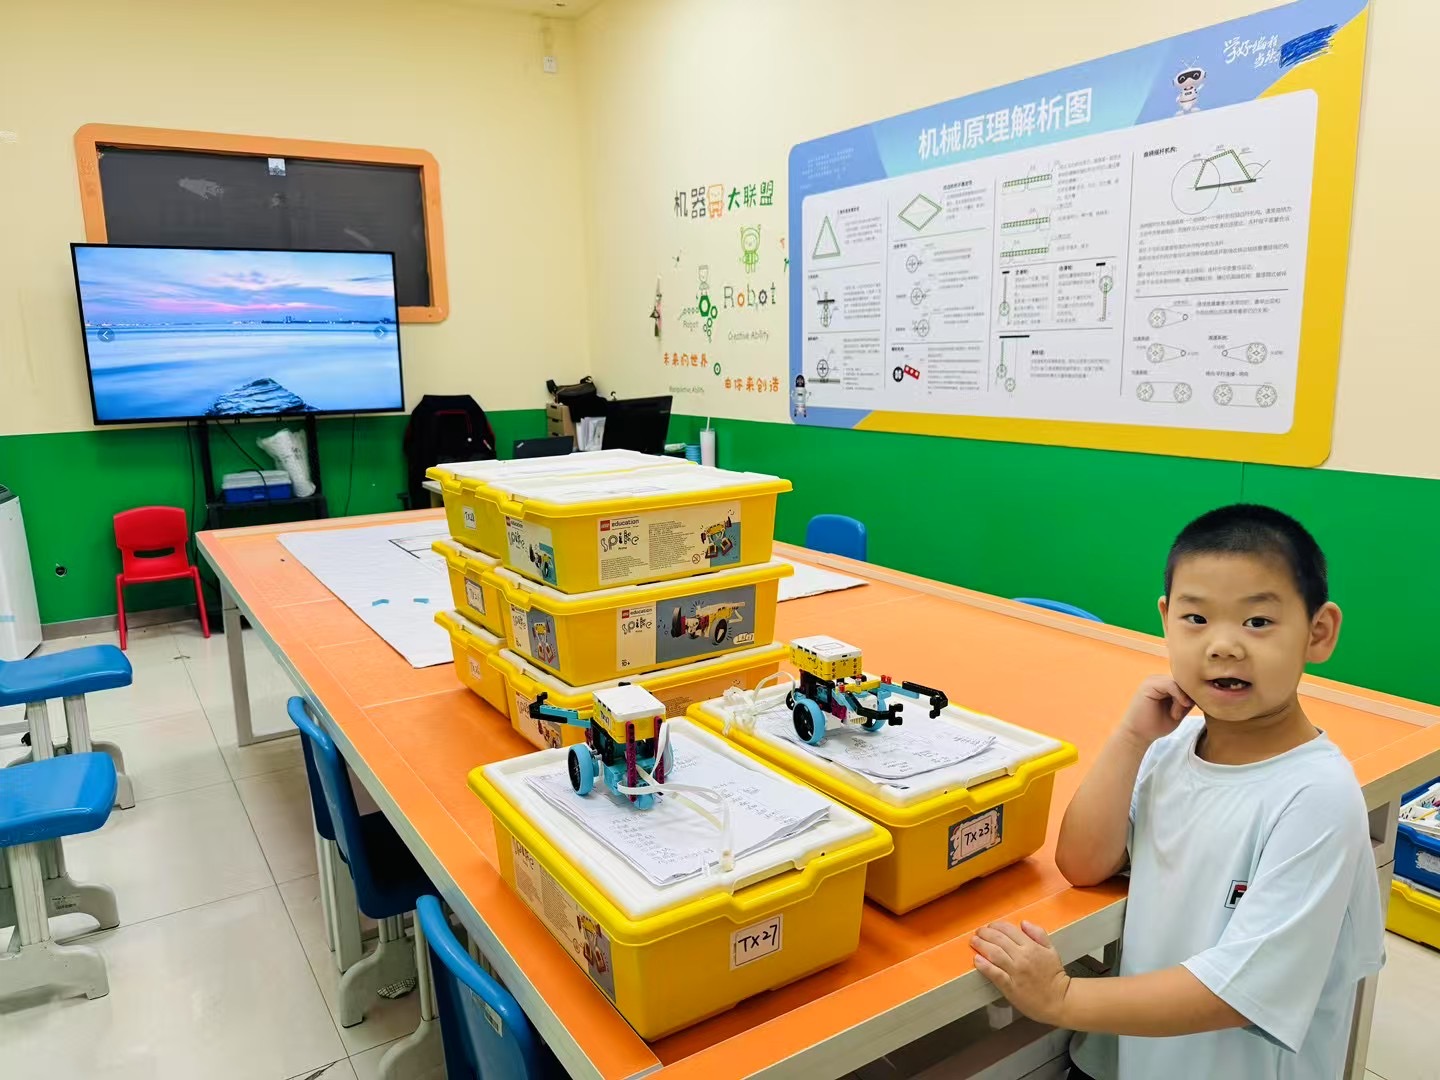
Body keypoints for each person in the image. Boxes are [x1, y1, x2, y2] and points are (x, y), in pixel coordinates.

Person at [970, 505, 1385, 1079]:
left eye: (1257, 621)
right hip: (1136, 1056)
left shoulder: (1316, 797)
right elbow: (1083, 863)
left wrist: (1061, 998)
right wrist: (1131, 738)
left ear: (1318, 632)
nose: (1224, 646)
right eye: (1196, 618)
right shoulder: (1173, 746)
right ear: (1166, 620)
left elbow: (1238, 993)